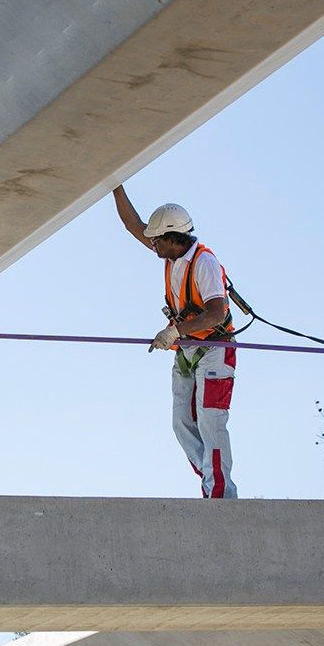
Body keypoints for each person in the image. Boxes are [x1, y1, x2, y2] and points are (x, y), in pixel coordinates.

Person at [113, 185, 238, 499]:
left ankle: (221, 496)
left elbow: (216, 313)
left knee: (211, 422)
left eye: (157, 240)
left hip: (215, 350)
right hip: (187, 349)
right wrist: (114, 184)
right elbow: (133, 225)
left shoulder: (204, 263)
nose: (152, 244)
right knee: (181, 423)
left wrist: (175, 331)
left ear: (172, 238)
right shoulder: (171, 254)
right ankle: (211, 481)